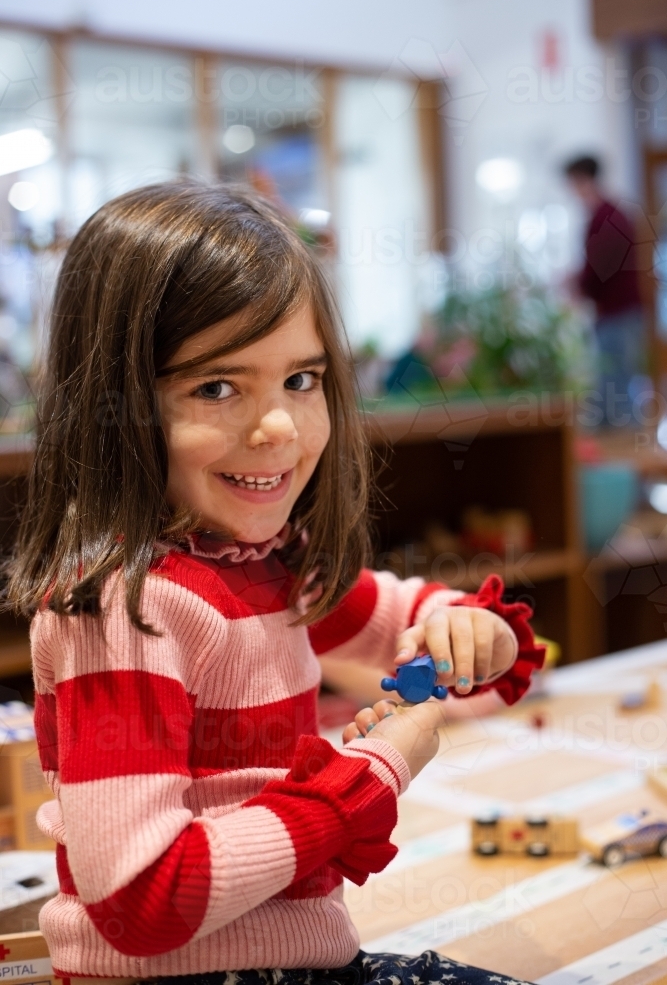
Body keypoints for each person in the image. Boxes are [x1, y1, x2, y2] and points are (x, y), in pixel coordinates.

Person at [7, 183, 543, 985]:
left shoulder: (265, 563)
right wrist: (372, 773)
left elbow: (398, 611)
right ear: (113, 406)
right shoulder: (126, 609)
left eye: (300, 380)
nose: (280, 428)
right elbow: (142, 902)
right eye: (216, 388)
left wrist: (471, 627)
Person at [564, 154, 647, 426]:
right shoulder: (610, 215)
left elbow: (601, 267)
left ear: (584, 180)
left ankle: (630, 447)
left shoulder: (606, 217)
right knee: (610, 383)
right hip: (616, 311)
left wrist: (579, 285)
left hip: (618, 312)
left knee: (617, 384)